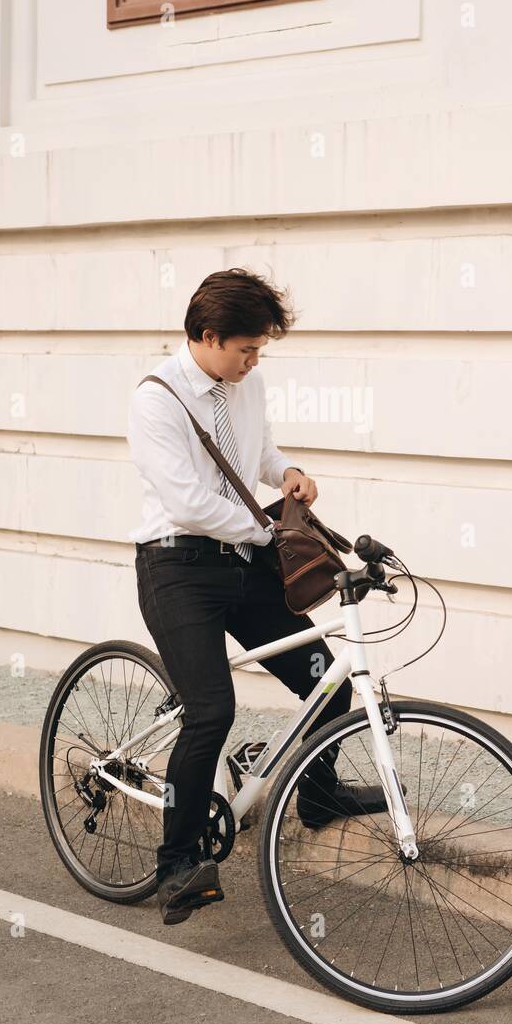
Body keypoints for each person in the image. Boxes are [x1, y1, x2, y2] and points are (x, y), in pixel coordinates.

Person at [127, 267, 390, 927]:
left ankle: (320, 794)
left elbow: (258, 454)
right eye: (245, 349)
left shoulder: (247, 383)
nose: (253, 360)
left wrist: (289, 474)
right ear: (208, 335)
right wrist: (266, 528)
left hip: (239, 561)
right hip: (175, 568)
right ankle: (176, 864)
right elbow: (187, 501)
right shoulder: (156, 400)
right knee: (211, 711)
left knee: (327, 682)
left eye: (259, 351)